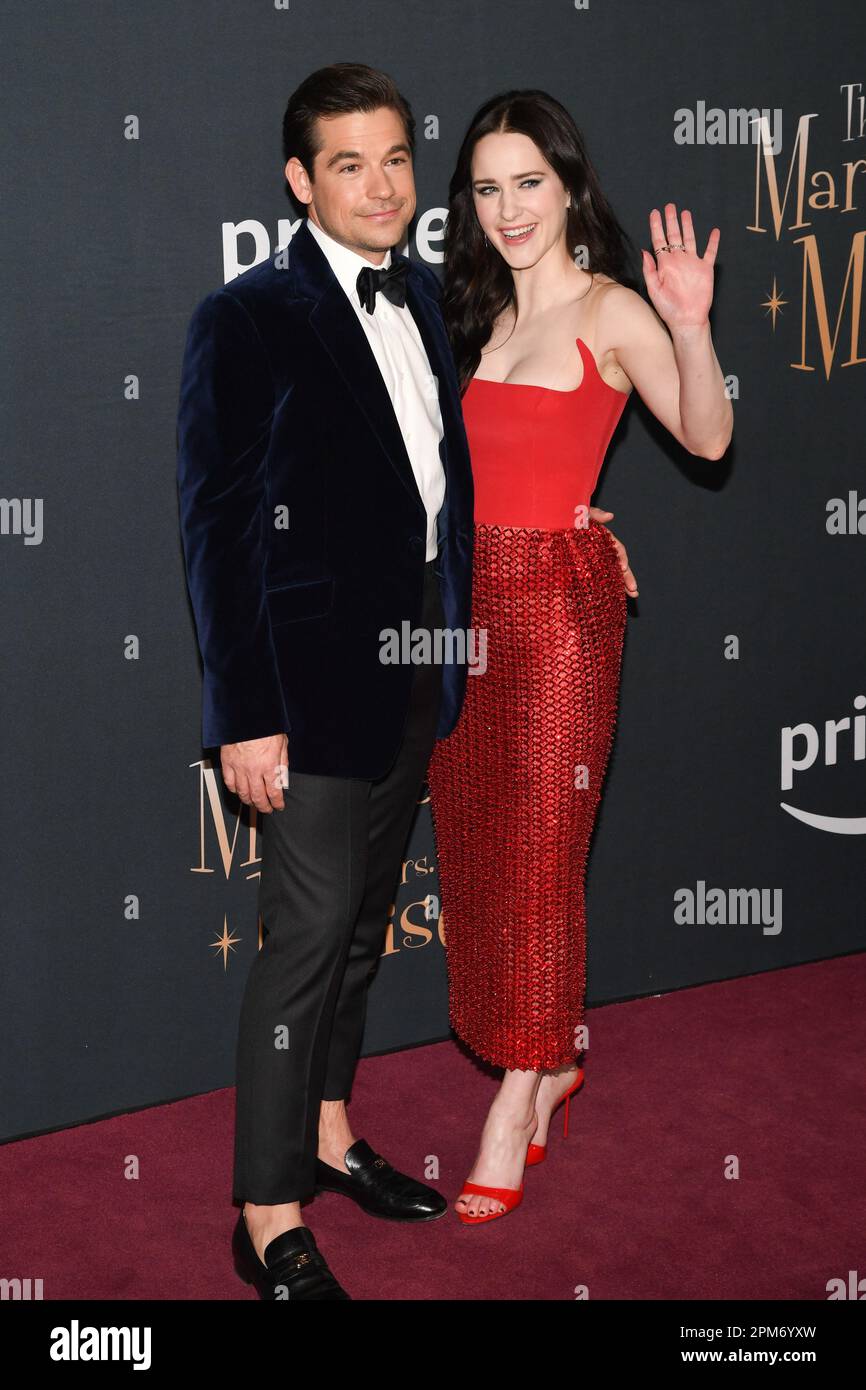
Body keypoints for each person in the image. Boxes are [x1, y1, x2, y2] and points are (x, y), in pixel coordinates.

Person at [426, 88, 733, 1223]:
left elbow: (705, 438)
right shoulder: (469, 316)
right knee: (481, 852)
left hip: (557, 618)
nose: (508, 209)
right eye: (488, 188)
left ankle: (517, 1096)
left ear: (567, 187)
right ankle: (546, 1055)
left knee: (545, 854)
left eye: (529, 184)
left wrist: (690, 326)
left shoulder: (610, 310)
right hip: (464, 612)